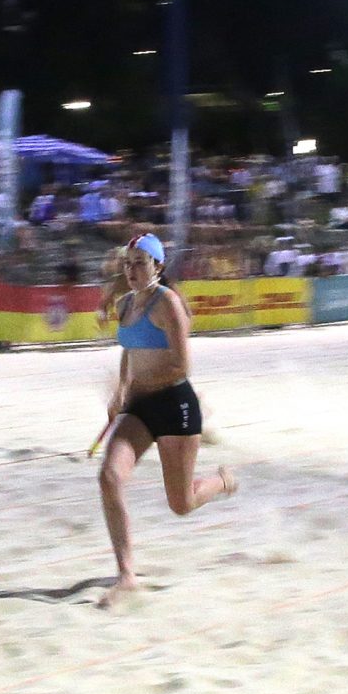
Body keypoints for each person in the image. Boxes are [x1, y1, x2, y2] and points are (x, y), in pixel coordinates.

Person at [93, 233, 236, 607]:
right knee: (109, 476)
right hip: (140, 408)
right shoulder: (125, 305)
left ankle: (221, 481)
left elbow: (181, 366)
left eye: (140, 262)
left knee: (181, 503)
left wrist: (137, 385)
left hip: (175, 406)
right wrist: (122, 390)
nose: (132, 270)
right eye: (128, 263)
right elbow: (129, 352)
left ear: (158, 265)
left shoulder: (167, 303)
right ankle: (126, 575)